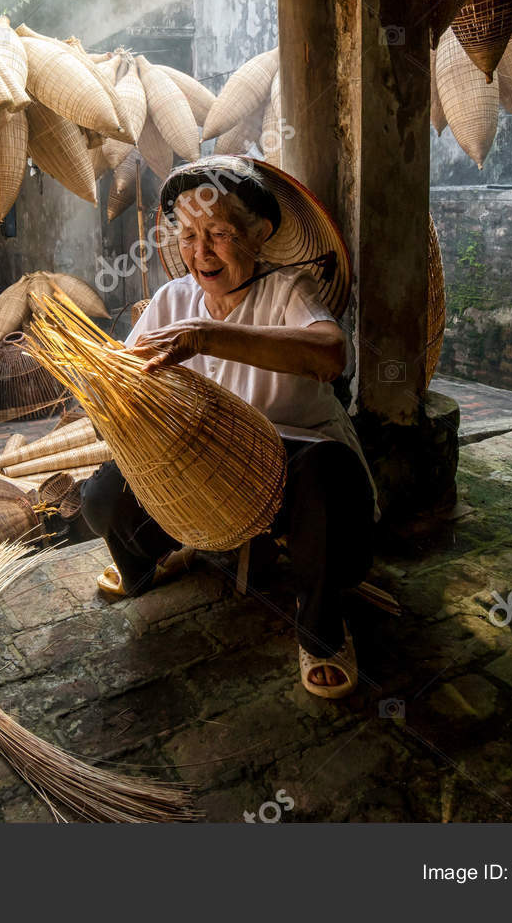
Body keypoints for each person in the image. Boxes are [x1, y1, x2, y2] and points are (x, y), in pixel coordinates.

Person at [80, 156, 379, 700]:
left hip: (294, 462)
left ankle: (321, 630)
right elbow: (129, 382)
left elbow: (332, 354)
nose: (201, 252)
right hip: (202, 471)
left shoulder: (290, 290)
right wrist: (102, 391)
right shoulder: (172, 300)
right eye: (189, 235)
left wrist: (208, 337)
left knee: (328, 482)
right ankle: (154, 561)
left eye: (219, 233)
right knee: (102, 493)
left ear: (259, 234)